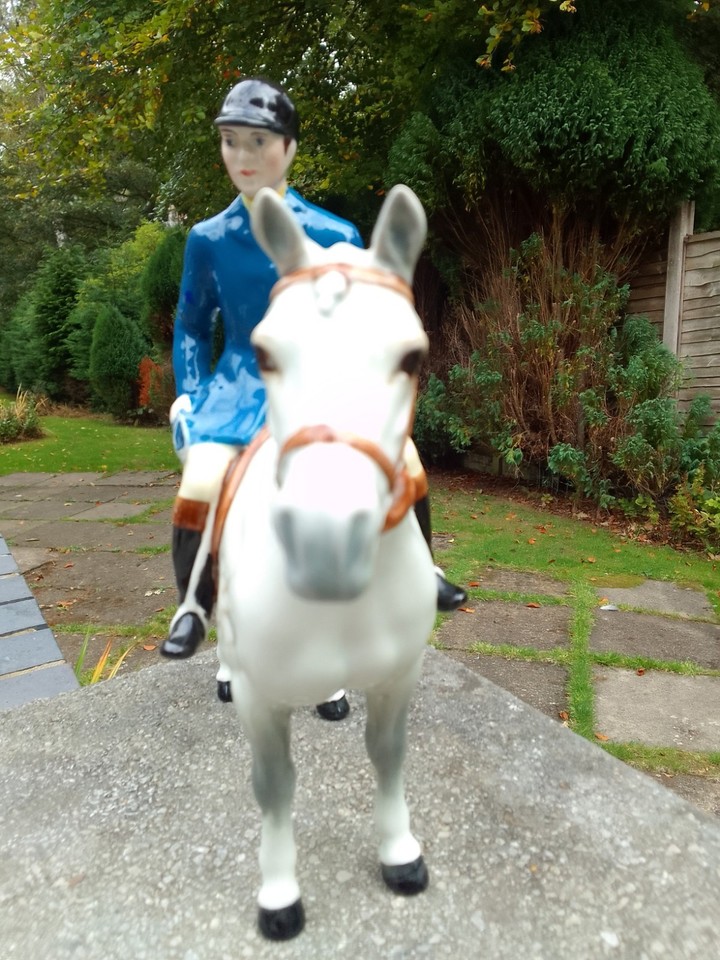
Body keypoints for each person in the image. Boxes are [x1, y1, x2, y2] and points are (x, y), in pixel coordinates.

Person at [162, 78, 466, 683]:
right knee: (202, 480)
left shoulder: (336, 234)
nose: (243, 158)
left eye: (258, 143)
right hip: (236, 391)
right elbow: (192, 326)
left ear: (289, 148)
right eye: (230, 142)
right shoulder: (208, 238)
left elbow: (362, 326)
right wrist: (190, 392)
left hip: (320, 389)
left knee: (405, 457)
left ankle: (424, 568)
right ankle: (196, 603)